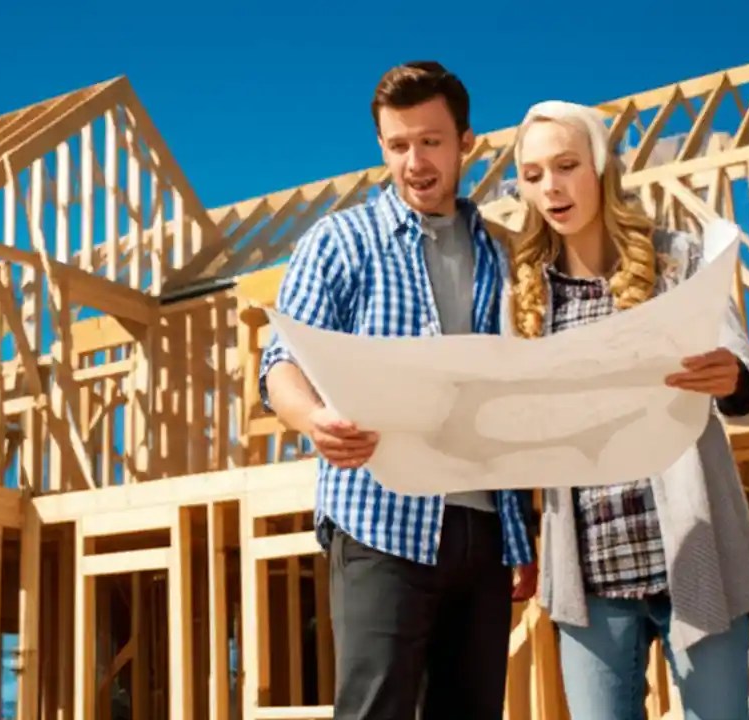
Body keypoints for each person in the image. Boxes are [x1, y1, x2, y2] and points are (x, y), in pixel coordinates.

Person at [258, 60, 537, 720]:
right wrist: (313, 418)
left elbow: (522, 393)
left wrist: (522, 532)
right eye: (398, 144)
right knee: (376, 709)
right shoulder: (338, 242)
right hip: (380, 520)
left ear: (467, 142)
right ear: (381, 145)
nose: (415, 161)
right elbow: (281, 363)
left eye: (431, 141)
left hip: (485, 529)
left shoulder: (504, 256)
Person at [507, 99, 749, 720]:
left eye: (567, 165)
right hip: (591, 575)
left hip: (694, 555)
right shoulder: (523, 295)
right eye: (533, 174)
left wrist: (731, 378)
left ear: (600, 167)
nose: (551, 186)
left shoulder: (676, 261)